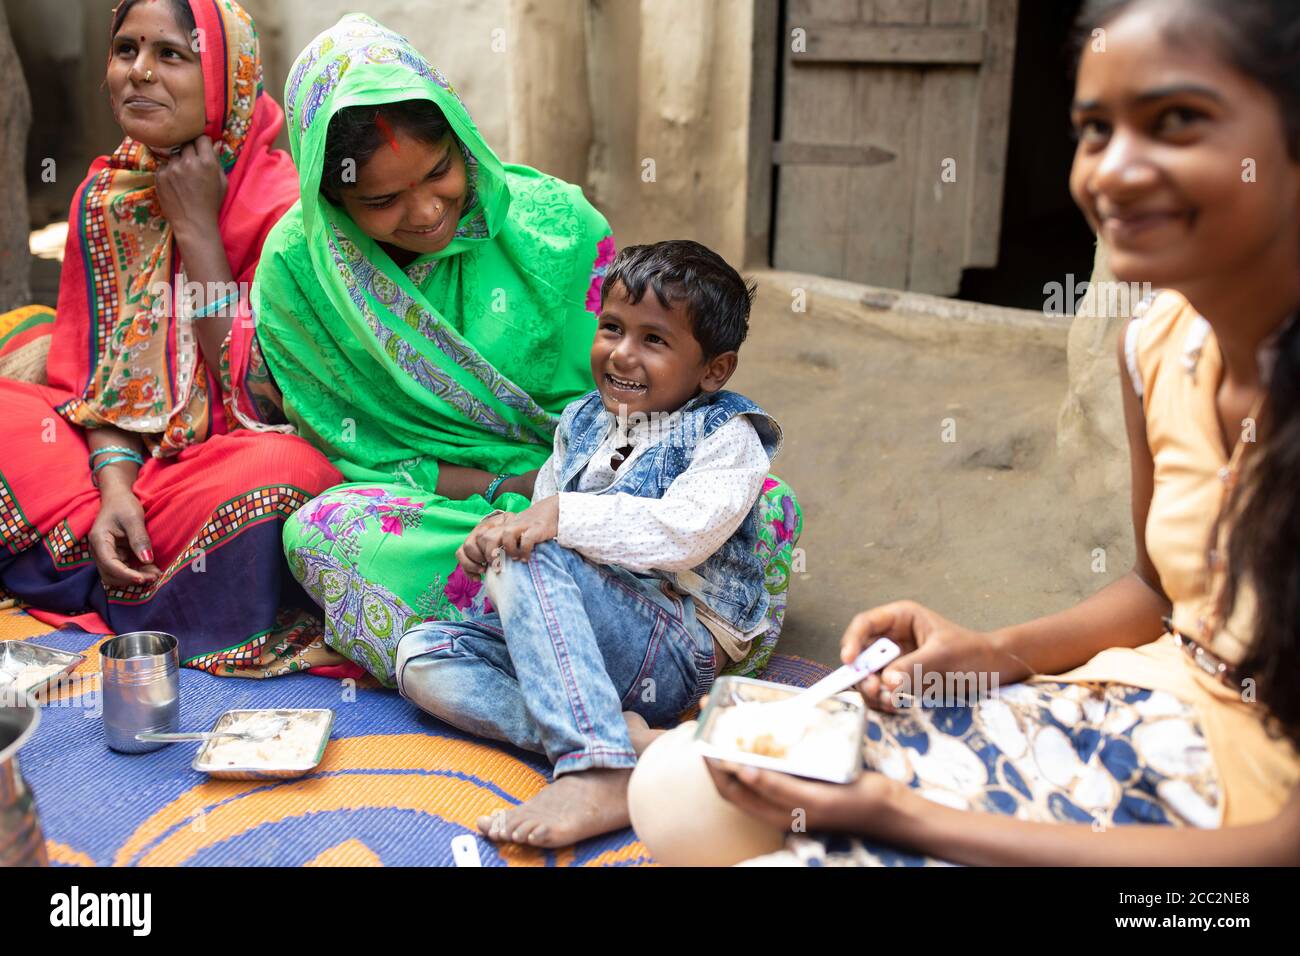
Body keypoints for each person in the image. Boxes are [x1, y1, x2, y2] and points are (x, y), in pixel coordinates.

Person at [632, 0, 1300, 866]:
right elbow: (1162, 595)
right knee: (683, 787)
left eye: (1176, 121)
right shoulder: (1159, 346)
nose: (1116, 170)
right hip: (1147, 710)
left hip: (1241, 830)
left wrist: (901, 818)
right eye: (1096, 130)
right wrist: (987, 654)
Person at [257, 16, 802, 686]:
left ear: (461, 138)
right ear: (328, 194)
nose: (428, 212)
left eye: (438, 172)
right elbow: (360, 450)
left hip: (608, 482)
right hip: (454, 510)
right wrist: (509, 498)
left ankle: (506, 659)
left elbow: (644, 401)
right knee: (322, 533)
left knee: (759, 503)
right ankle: (606, 651)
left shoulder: (556, 227)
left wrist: (572, 501)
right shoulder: (299, 271)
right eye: (382, 199)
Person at [397, 240, 781, 847]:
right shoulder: (580, 421)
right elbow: (544, 512)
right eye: (612, 328)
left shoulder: (726, 435)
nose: (623, 354)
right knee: (422, 654)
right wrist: (498, 536)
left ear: (714, 370)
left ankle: (596, 768)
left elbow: (682, 534)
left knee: (537, 550)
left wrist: (552, 523)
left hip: (677, 643)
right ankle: (616, 738)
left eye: (654, 340)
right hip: (585, 652)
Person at [0, 0, 340, 676]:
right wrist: (115, 489)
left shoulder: (291, 212)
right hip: (126, 472)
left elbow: (266, 399)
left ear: (226, 77)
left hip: (226, 464)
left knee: (291, 477)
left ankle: (98, 568)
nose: (139, 73)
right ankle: (122, 553)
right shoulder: (106, 195)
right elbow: (101, 389)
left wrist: (199, 231)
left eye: (171, 55)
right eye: (126, 51)